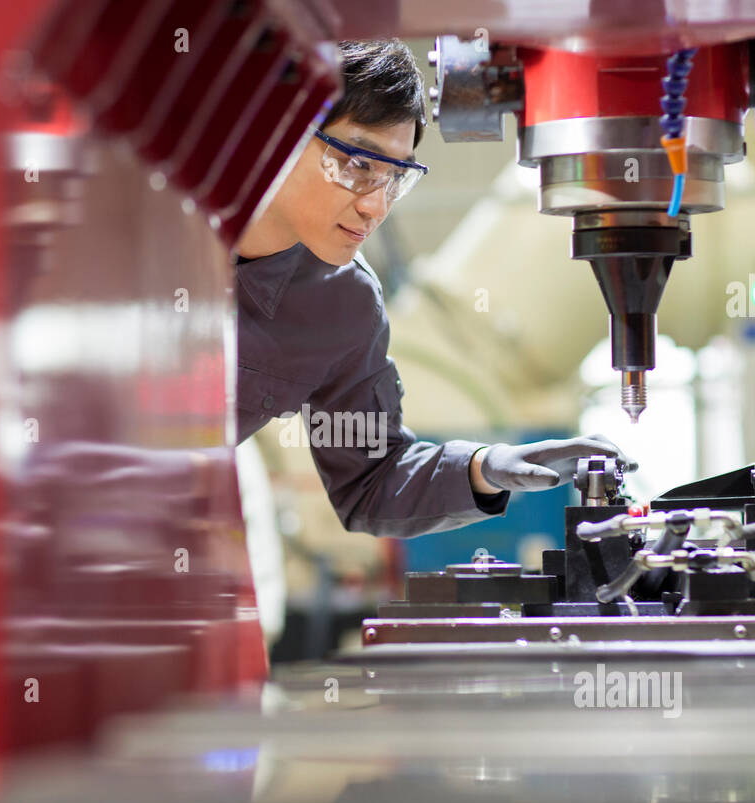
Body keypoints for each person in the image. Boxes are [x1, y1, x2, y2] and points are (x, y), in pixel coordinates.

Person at [233, 39, 633, 537]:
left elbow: (372, 477)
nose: (375, 208)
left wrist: (483, 468)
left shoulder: (341, 303)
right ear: (281, 130)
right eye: (360, 164)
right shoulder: (141, 221)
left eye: (396, 177)